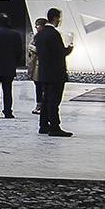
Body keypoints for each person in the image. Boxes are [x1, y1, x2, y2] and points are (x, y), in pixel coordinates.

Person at [33, 8, 71, 136]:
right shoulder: (54, 34)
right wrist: (69, 48)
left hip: (44, 72)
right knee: (54, 101)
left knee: (46, 99)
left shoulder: (41, 34)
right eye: (59, 17)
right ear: (55, 18)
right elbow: (60, 53)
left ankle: (43, 125)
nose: (60, 20)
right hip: (55, 73)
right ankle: (55, 127)